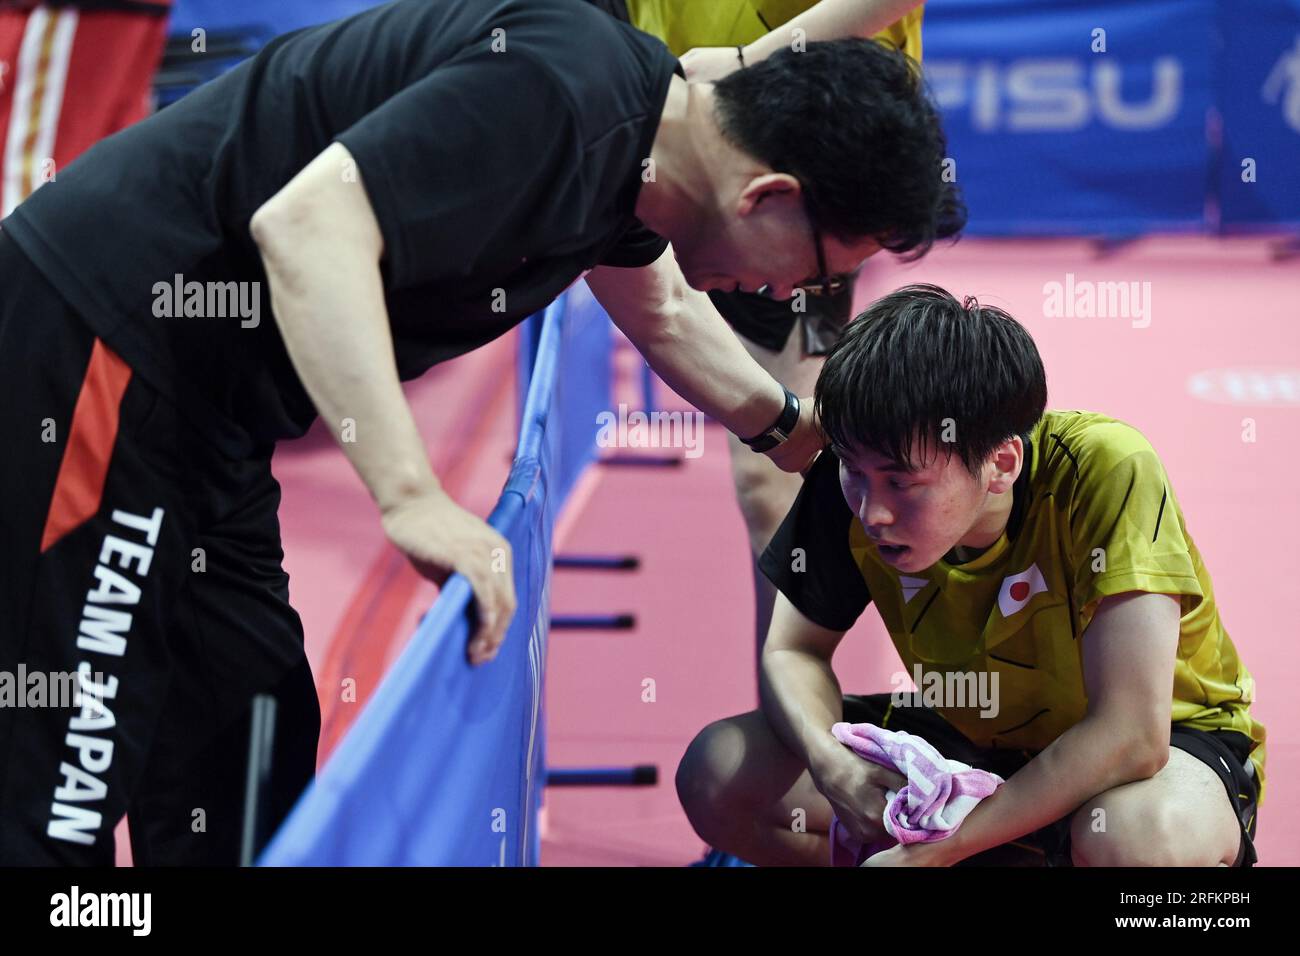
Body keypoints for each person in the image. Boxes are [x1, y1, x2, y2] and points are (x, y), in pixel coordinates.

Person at [0, 0, 961, 863]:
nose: (796, 295)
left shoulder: (641, 140)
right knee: (75, 763)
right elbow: (307, 227)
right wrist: (413, 497)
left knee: (244, 735)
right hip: (109, 343)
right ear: (769, 195)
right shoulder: (560, 90)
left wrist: (790, 428)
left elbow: (658, 306)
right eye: (821, 266)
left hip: (214, 410)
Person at [676, 285, 1267, 867]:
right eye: (855, 472)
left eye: (902, 483)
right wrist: (834, 768)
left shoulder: (1107, 469)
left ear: (1001, 463)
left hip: (1155, 751)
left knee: (1143, 840)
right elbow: (792, 650)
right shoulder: (852, 479)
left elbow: (1131, 736)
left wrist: (941, 851)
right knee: (720, 770)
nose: (872, 510)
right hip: (971, 737)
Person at [594, 0, 932, 673]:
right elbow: (661, 312)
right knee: (781, 461)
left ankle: (798, 733)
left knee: (774, 481)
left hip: (812, 139)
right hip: (671, 123)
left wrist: (752, 63)